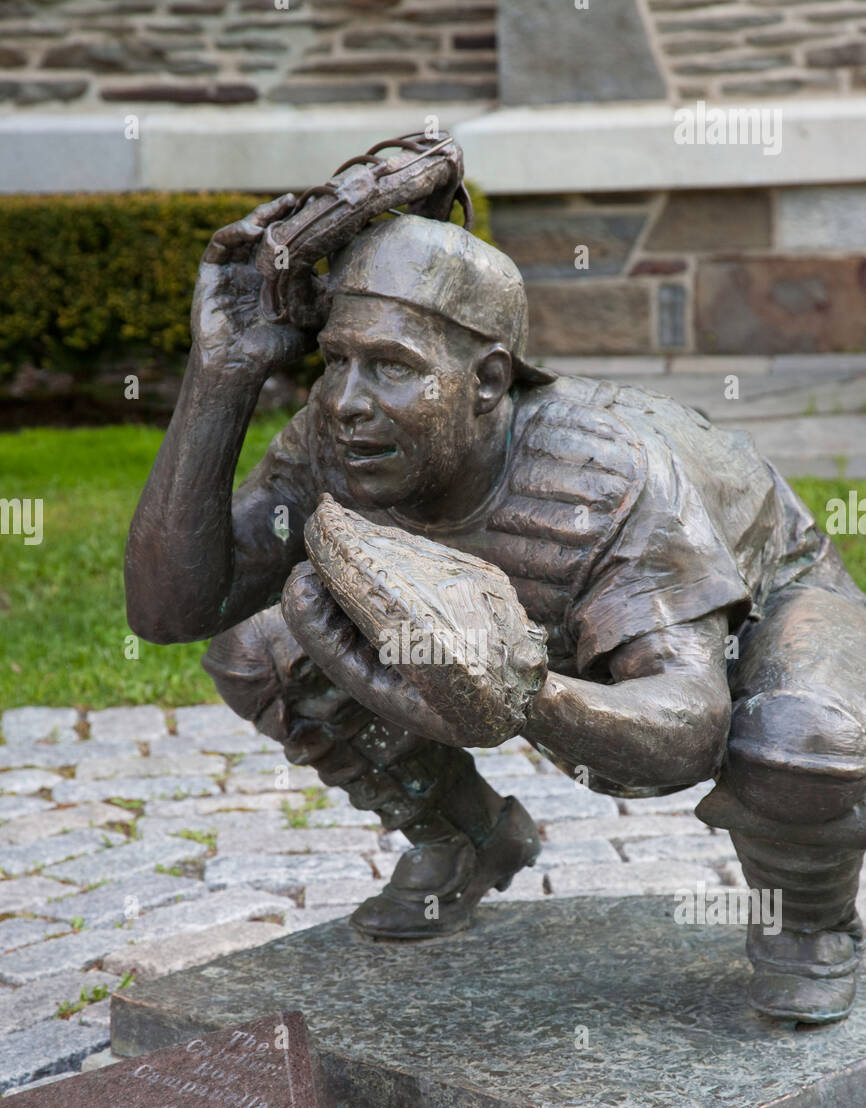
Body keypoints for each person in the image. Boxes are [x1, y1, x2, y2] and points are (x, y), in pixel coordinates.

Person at [126, 197, 866, 1027]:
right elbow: (170, 608)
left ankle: (806, 920)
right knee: (260, 651)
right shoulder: (332, 443)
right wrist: (220, 377)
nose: (346, 401)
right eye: (335, 360)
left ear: (486, 380)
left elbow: (692, 725)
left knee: (798, 743)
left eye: (392, 366)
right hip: (546, 639)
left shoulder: (609, 476)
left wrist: (525, 696)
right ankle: (466, 836)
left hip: (772, 606)